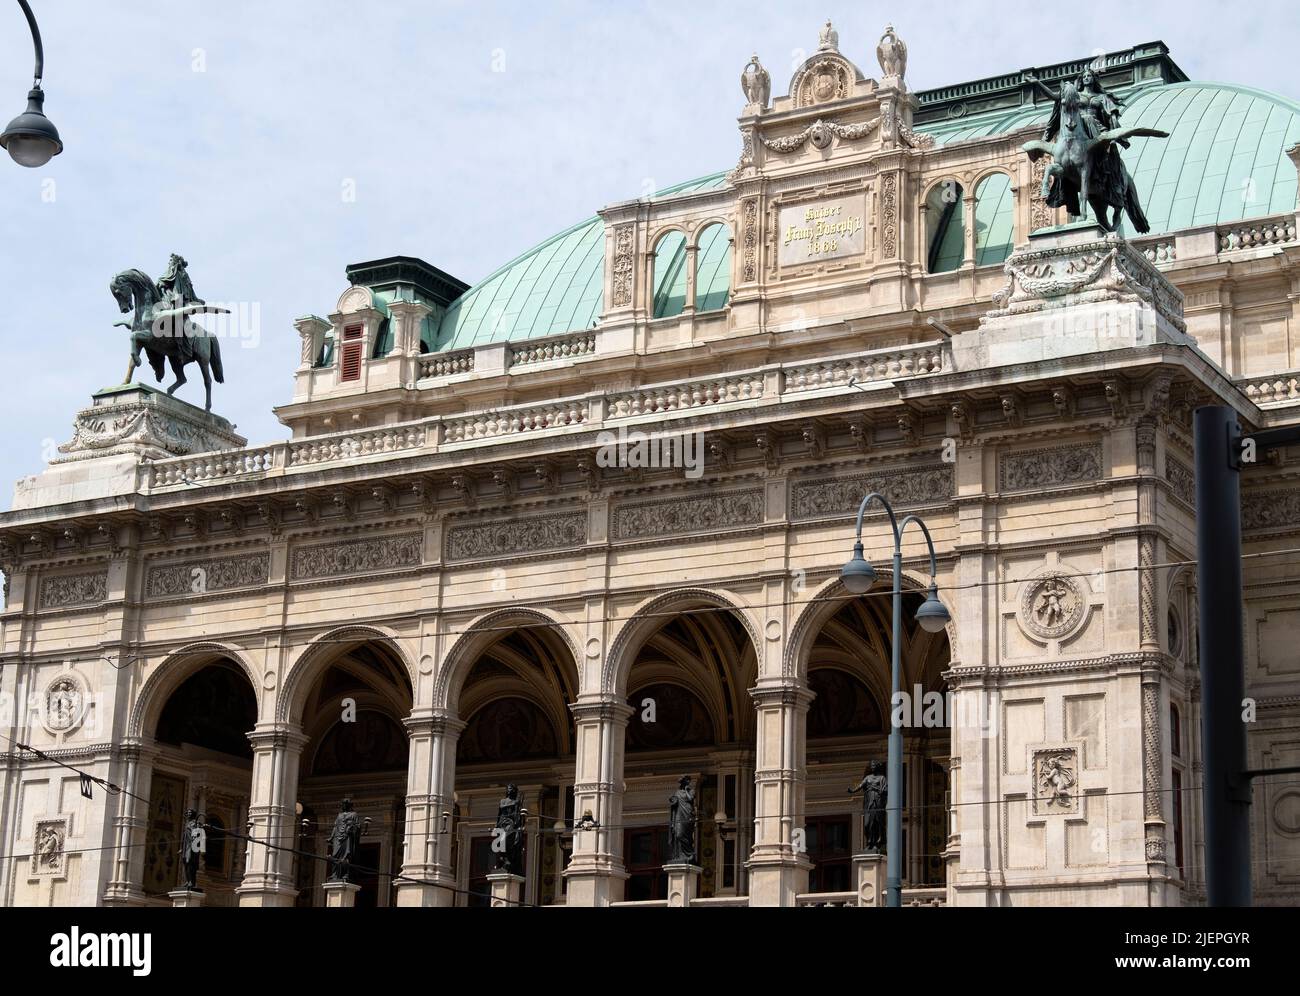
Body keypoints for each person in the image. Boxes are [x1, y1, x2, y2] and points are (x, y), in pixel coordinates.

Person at [848, 761, 887, 853]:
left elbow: (885, 789)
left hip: (877, 802)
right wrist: (852, 791)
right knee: (867, 824)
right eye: (872, 766)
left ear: (877, 767)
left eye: (874, 766)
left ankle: (876, 843)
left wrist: (881, 791)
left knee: (876, 822)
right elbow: (860, 786)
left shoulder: (882, 778)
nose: (872, 767)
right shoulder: (867, 778)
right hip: (869, 802)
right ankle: (869, 841)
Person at [667, 775, 697, 863]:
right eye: (686, 780)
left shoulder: (691, 791)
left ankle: (689, 854)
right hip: (679, 814)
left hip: (687, 814)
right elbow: (674, 803)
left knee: (686, 835)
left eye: (689, 780)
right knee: (678, 834)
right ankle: (682, 854)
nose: (688, 782)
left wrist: (687, 790)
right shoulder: (677, 792)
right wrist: (673, 801)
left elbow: (690, 798)